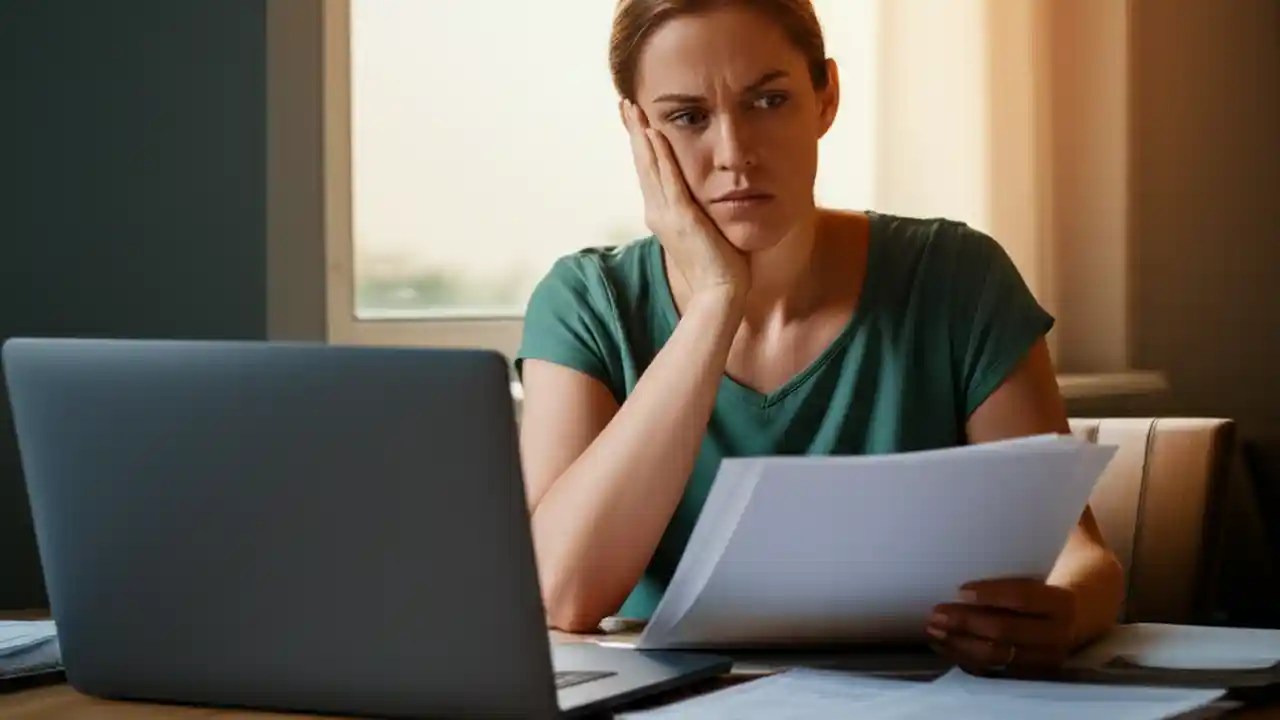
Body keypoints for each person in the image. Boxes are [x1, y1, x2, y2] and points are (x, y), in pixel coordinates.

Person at [515, 0, 1124, 674]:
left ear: (825, 97)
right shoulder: (587, 302)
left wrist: (1062, 614)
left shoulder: (955, 278)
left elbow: (1082, 558)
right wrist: (716, 303)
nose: (735, 154)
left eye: (769, 101)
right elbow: (561, 594)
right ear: (637, 128)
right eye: (687, 117)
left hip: (923, 701)